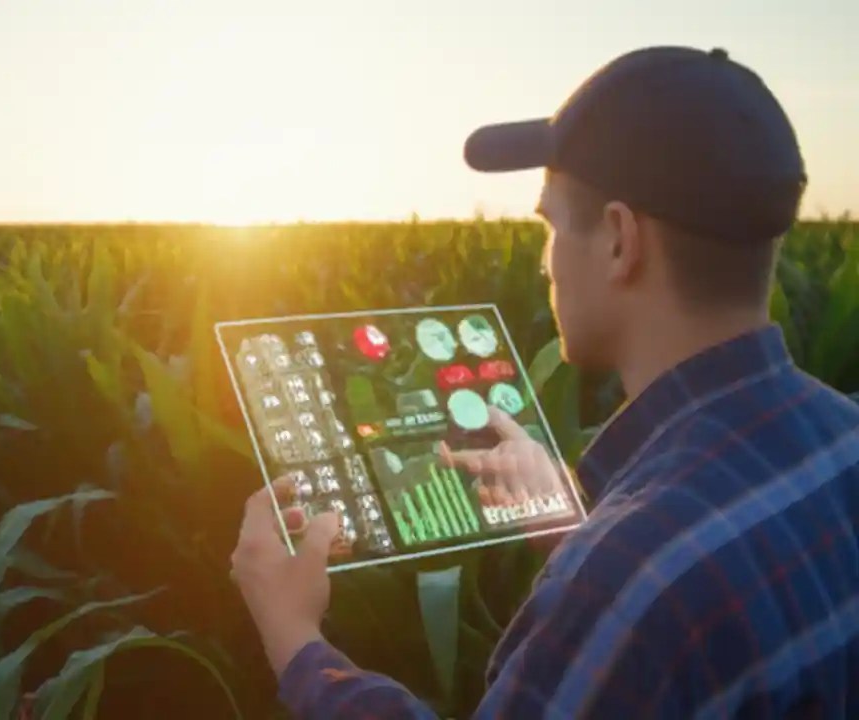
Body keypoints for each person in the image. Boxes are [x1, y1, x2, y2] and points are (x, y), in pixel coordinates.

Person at [230, 45, 859, 718]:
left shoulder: (628, 584)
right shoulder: (842, 437)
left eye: (550, 225)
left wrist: (294, 640)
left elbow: (652, 595)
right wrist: (576, 528)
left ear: (620, 240)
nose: (544, 266)